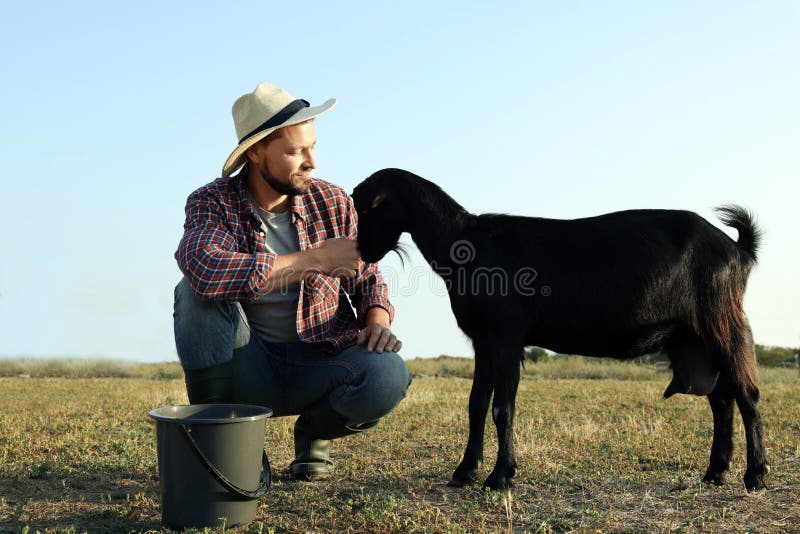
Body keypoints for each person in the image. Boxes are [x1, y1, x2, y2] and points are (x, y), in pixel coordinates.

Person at [173, 82, 411, 481]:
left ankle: (314, 432)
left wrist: (377, 322)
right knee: (193, 295)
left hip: (320, 359)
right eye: (295, 151)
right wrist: (316, 260)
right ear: (256, 152)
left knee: (388, 375)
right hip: (247, 367)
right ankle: (228, 447)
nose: (311, 161)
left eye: (312, 146)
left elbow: (369, 278)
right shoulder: (211, 202)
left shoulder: (334, 201)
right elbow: (203, 267)